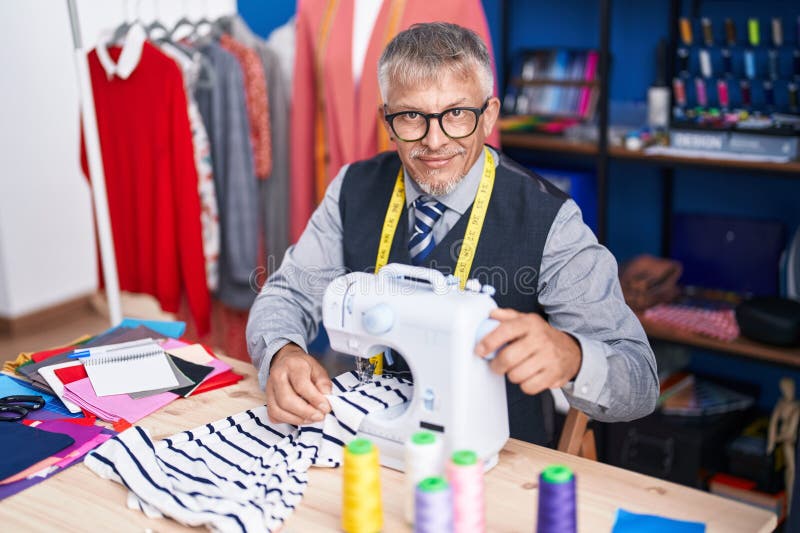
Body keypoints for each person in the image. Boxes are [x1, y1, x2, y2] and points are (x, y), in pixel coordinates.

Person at [247, 22, 658, 445]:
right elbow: (286, 295)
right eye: (411, 116)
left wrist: (573, 357)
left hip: (494, 464)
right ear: (386, 120)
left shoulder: (550, 220)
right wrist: (283, 352)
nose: (435, 140)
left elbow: (640, 381)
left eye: (457, 114)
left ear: (489, 116)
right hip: (371, 443)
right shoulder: (353, 188)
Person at [768, 377, 800, 507]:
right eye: (786, 389)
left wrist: (777, 438)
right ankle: (790, 499)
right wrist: (771, 442)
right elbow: (773, 423)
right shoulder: (780, 404)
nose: (789, 391)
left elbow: (790, 431)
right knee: (789, 469)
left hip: (790, 439)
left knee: (791, 469)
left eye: (790, 389)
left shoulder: (797, 407)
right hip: (786, 440)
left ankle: (791, 500)